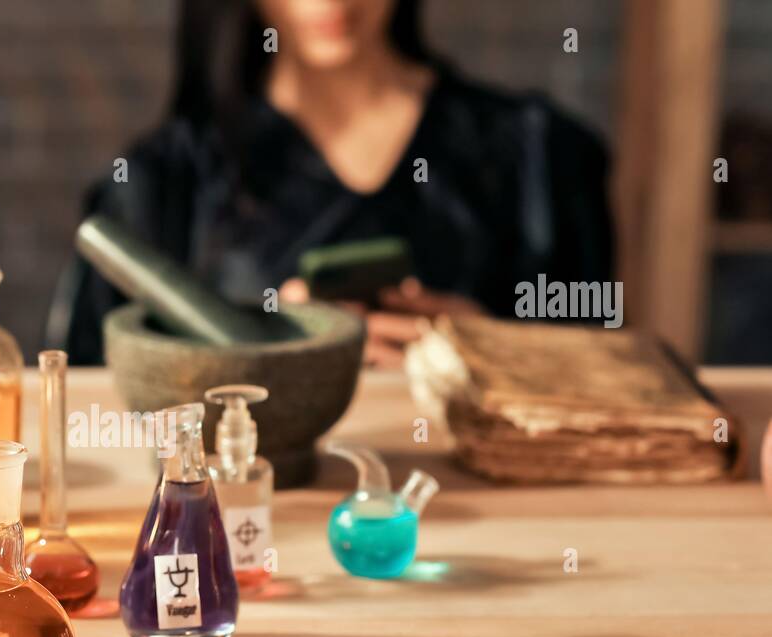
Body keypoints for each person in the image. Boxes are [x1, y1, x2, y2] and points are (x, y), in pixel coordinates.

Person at [51, 0, 613, 367]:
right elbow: (85, 406)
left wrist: (492, 349)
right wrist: (270, 358)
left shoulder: (539, 156)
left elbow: (617, 389)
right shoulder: (163, 182)